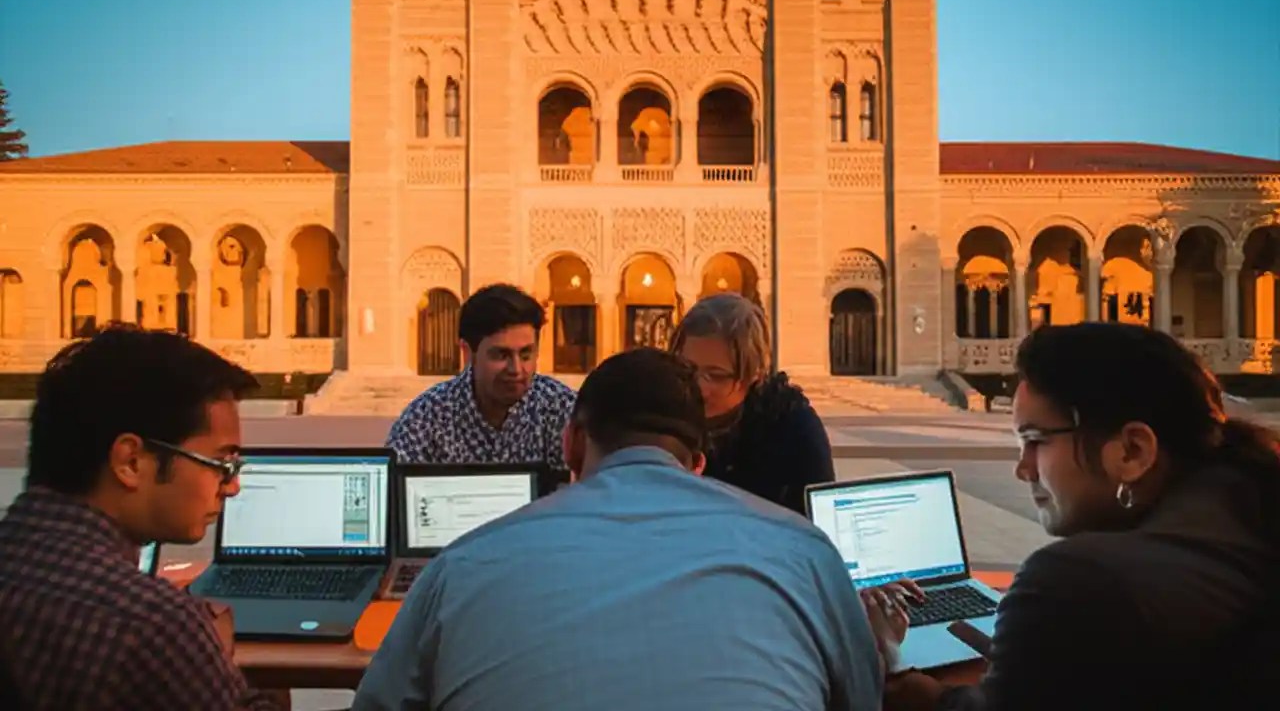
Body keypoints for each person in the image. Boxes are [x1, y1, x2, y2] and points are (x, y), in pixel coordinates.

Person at [352, 348, 883, 711]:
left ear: (572, 445)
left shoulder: (462, 564)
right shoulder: (805, 553)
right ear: (698, 462)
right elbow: (862, 698)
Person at [868, 323, 1279, 711]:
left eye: (1035, 441)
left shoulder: (1076, 580)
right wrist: (1037, 660)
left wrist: (901, 672)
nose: (1024, 469)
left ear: (1133, 451)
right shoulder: (1250, 507)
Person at [0, 324, 282, 710]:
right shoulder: (151, 624)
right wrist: (201, 654)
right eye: (221, 464)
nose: (231, 487)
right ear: (130, 462)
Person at [387, 283, 577, 486]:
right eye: (501, 355)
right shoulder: (426, 419)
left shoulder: (561, 409)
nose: (516, 369)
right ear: (467, 352)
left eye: (526, 354)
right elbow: (393, 496)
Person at [670, 292, 834, 514]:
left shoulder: (793, 428)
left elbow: (815, 528)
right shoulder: (662, 416)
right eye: (688, 369)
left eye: (717, 376)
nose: (698, 386)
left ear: (754, 374)